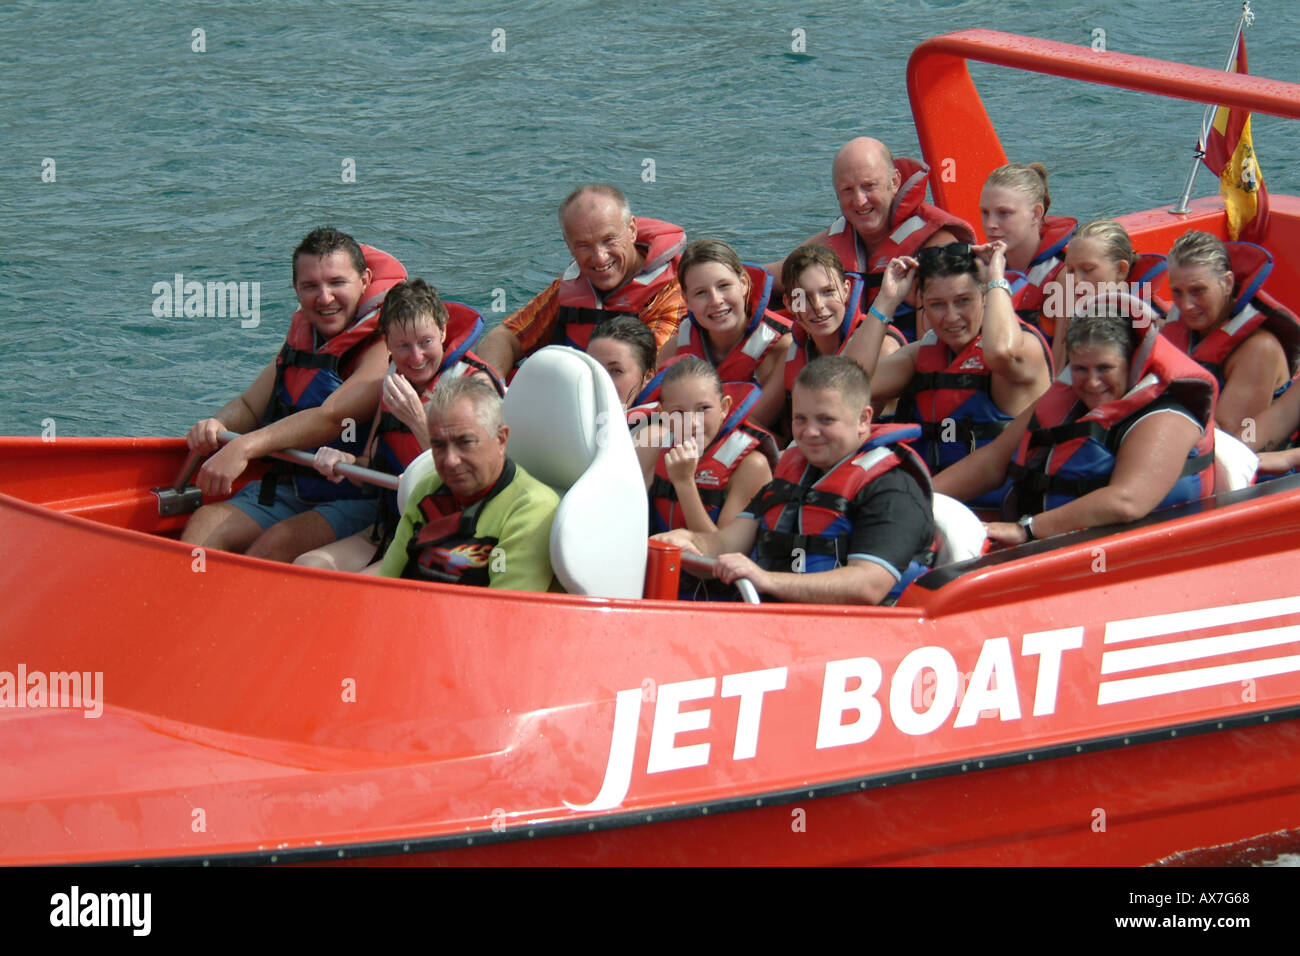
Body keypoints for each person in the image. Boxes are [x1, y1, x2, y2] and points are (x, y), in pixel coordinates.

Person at [180, 227, 406, 562]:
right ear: (295, 288)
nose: (324, 297)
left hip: (358, 496)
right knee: (203, 526)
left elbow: (331, 417)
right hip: (291, 487)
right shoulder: (303, 342)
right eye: (310, 286)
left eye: (336, 283)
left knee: (273, 546)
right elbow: (248, 405)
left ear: (365, 279)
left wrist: (244, 446)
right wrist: (216, 424)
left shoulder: (387, 343)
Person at [653, 356, 935, 606]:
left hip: (859, 638)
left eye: (826, 419)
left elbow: (868, 586)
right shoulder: (792, 471)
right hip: (779, 625)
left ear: (863, 419)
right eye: (800, 418)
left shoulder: (894, 487)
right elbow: (727, 544)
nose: (810, 432)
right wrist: (687, 540)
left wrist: (766, 580)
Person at [933, 304, 1216, 545]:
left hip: (1127, 553)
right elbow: (994, 461)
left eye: (1105, 368)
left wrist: (1026, 529)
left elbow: (1127, 501)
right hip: (1048, 542)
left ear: (1132, 363)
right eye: (1081, 369)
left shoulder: (1167, 416)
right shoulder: (1065, 398)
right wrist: (922, 496)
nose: (1092, 382)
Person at [294, 279, 505, 573]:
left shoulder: (473, 385)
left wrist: (419, 420)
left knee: (362, 588)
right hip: (398, 525)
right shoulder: (394, 382)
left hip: (459, 536)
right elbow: (371, 467)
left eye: (426, 342)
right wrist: (345, 461)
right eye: (404, 346)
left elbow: (481, 484)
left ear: (443, 331)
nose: (416, 357)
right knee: (307, 566)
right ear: (388, 344)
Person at [842, 241, 1052, 509]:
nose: (951, 317)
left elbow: (999, 352)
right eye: (937, 304)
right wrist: (887, 300)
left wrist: (996, 276)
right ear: (923, 307)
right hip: (926, 507)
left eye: (963, 300)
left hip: (996, 514)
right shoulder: (920, 356)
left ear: (986, 296)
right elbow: (844, 388)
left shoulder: (1023, 352)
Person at [769, 137, 974, 340]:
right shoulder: (834, 242)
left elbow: (934, 349)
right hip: (843, 361)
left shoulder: (936, 249)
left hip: (898, 362)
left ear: (894, 182)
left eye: (869, 186)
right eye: (847, 190)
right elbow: (766, 279)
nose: (859, 201)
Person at [476, 184, 687, 378]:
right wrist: (488, 382)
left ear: (631, 230)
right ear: (568, 244)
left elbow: (645, 374)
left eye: (609, 240)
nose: (599, 257)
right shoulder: (570, 286)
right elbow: (505, 336)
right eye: (584, 245)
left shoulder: (670, 294)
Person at [377, 376, 559, 590]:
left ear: (501, 439)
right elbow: (386, 583)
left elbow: (504, 613)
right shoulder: (427, 488)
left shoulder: (532, 509)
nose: (450, 461)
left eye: (465, 442)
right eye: (439, 446)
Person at [1160, 230, 1300, 441]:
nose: (1186, 305)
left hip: (1246, 464)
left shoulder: (1258, 350)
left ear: (1227, 283)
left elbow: (1230, 440)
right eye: (1177, 292)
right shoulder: (1180, 328)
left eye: (1198, 291)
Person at [657, 239, 792, 428]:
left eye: (724, 286)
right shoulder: (672, 352)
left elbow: (760, 421)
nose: (715, 300)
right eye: (701, 293)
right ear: (686, 300)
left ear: (744, 283)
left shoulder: (783, 347)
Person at [638, 357, 774, 534]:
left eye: (703, 408)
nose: (693, 422)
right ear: (663, 415)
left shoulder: (752, 466)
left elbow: (721, 551)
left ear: (724, 407)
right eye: (678, 412)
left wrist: (684, 482)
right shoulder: (651, 446)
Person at [1041, 218, 1167, 371]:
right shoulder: (1074, 313)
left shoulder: (1151, 327)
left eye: (1087, 269)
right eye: (1071, 270)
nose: (1075, 280)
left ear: (1120, 270)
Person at [979, 162, 1076, 341]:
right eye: (985, 212)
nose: (990, 224)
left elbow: (1061, 357)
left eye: (1004, 213)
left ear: (1036, 214)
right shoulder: (979, 268)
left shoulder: (1063, 275)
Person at [587, 316, 658, 413]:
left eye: (616, 370)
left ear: (648, 377)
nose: (600, 380)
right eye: (592, 369)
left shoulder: (658, 426)